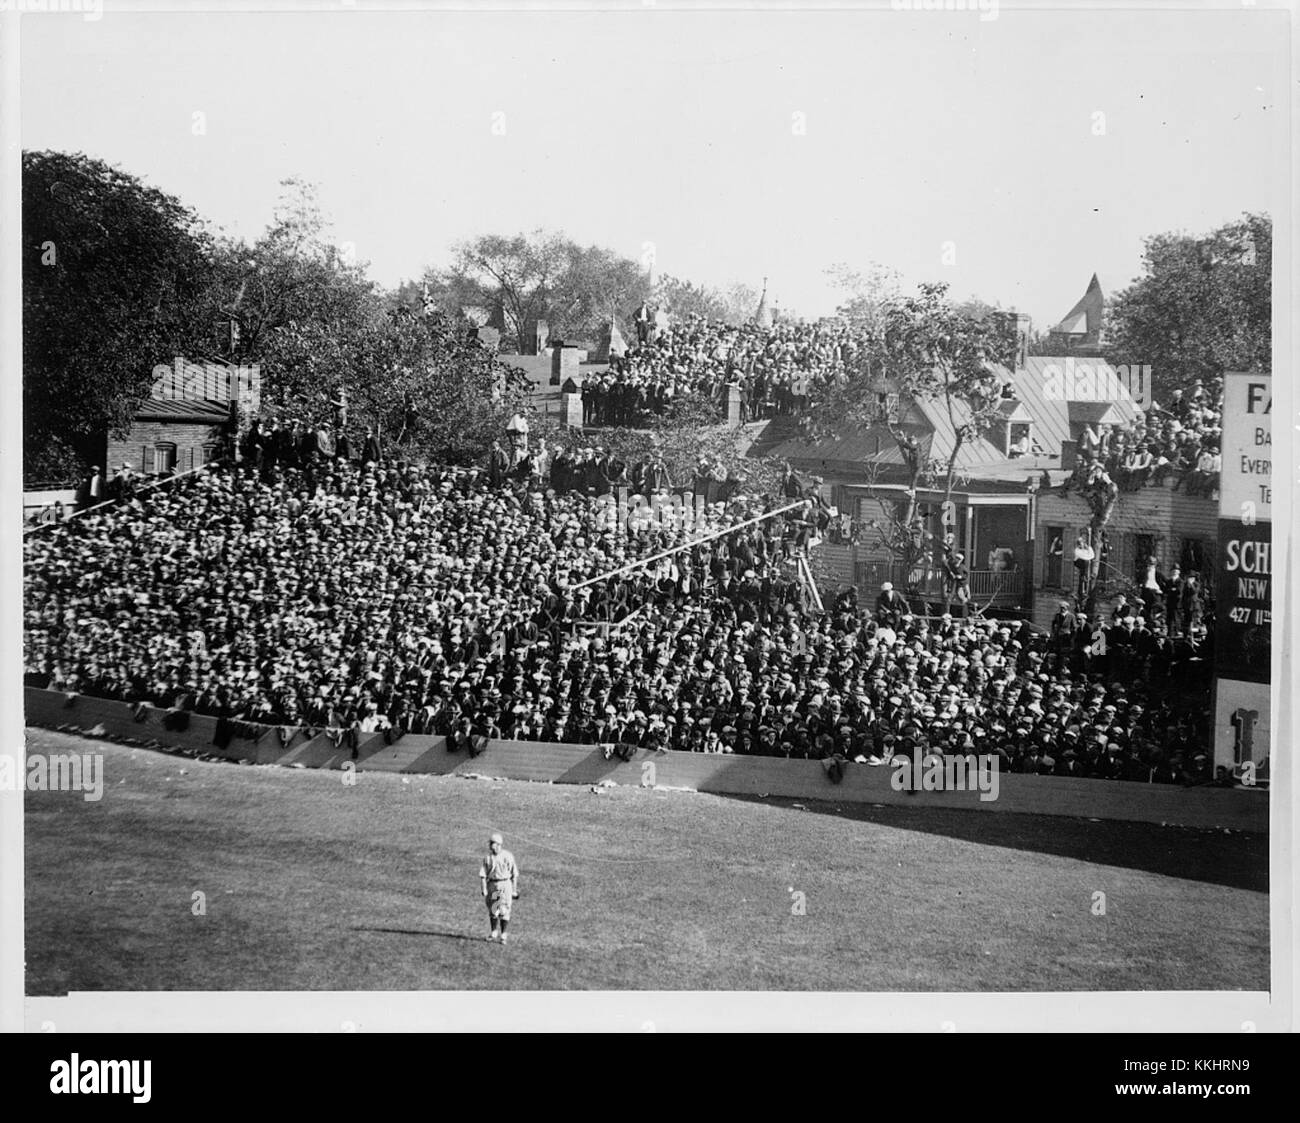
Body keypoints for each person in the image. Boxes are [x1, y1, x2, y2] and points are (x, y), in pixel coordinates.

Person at [479, 832, 519, 944]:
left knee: (504, 910)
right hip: (493, 885)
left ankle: (504, 935)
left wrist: (514, 890)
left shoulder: (507, 856)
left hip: (505, 885)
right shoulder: (488, 858)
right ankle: (493, 932)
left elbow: (514, 874)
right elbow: (483, 875)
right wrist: (484, 889)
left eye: (492, 843)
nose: (490, 845)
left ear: (498, 844)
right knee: (493, 909)